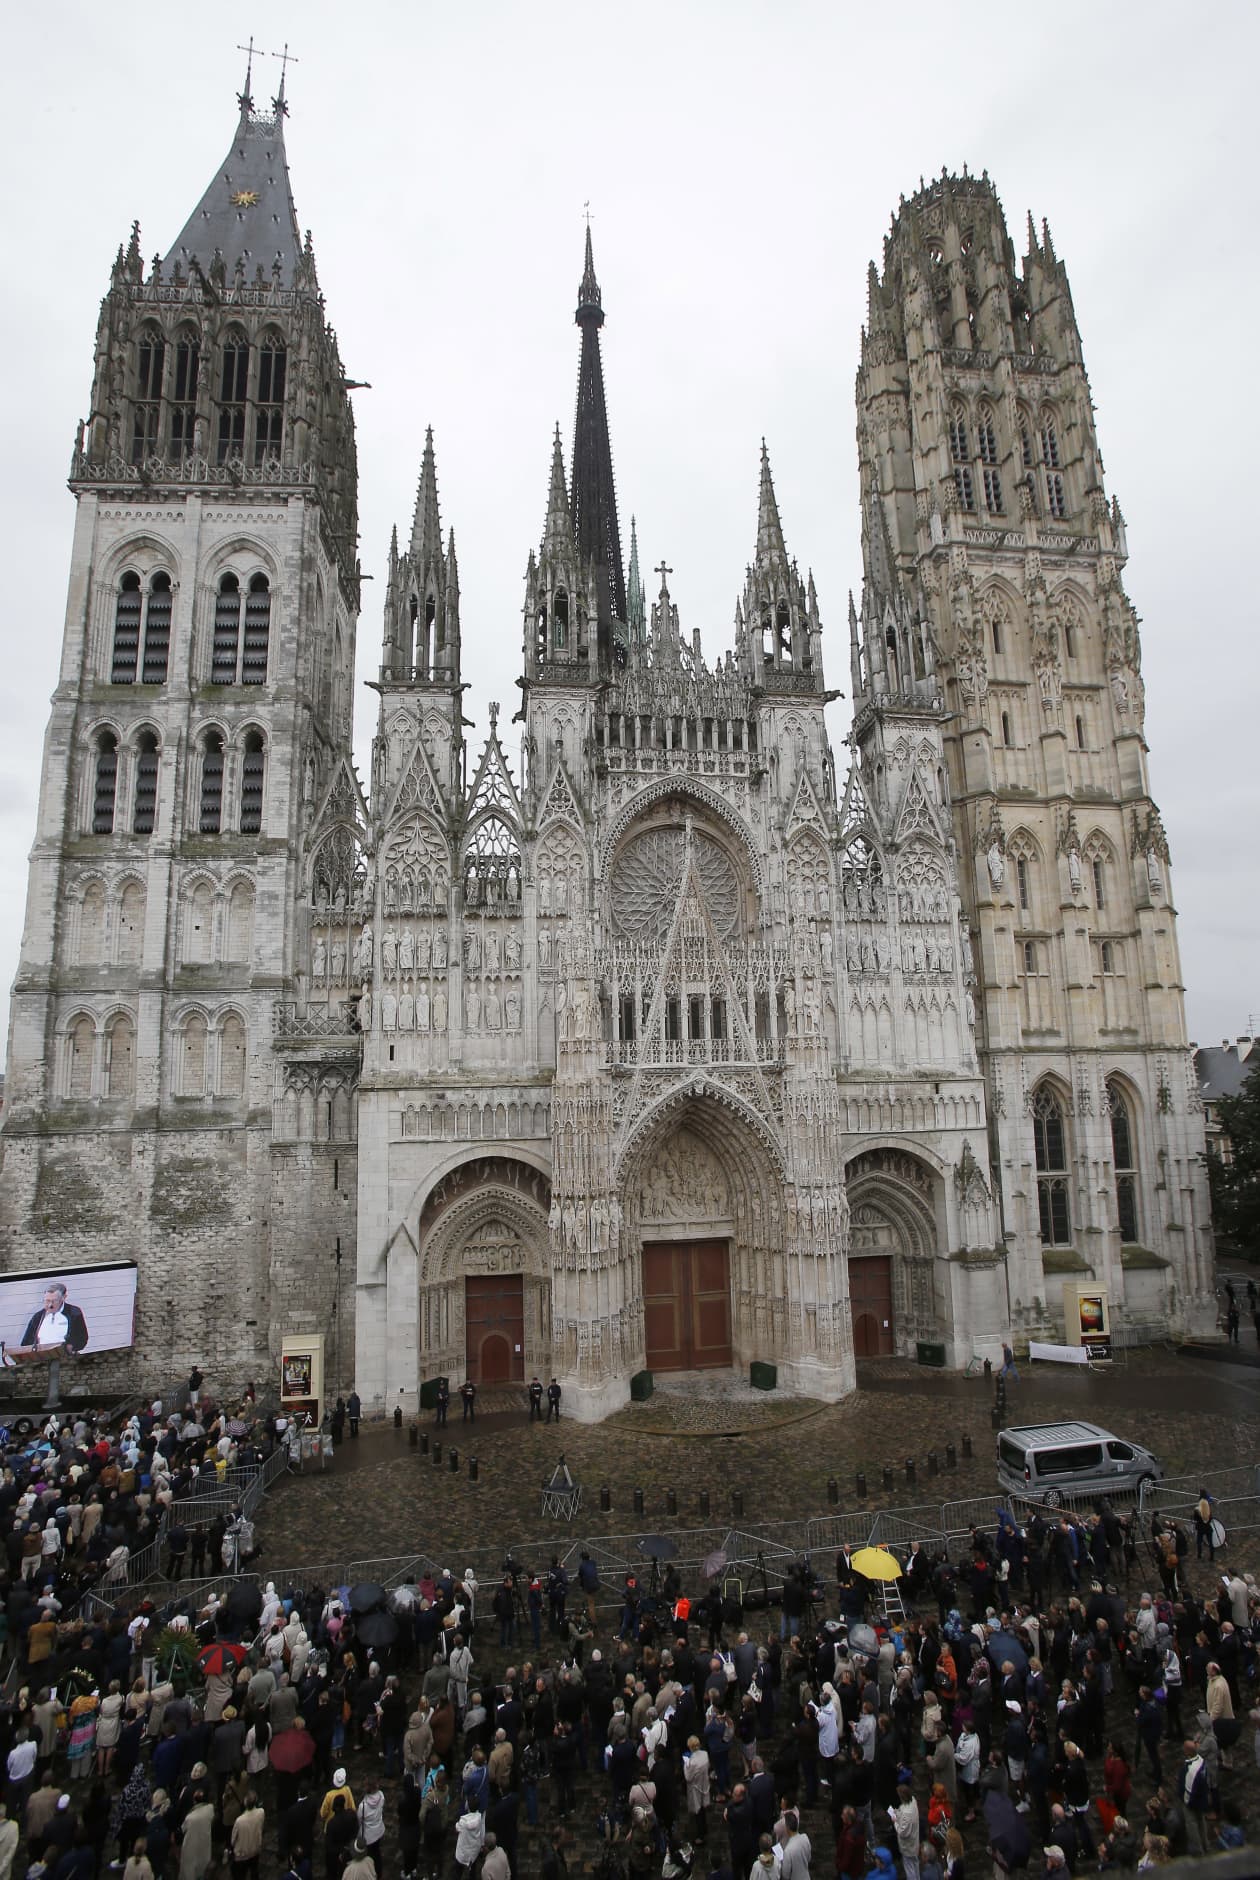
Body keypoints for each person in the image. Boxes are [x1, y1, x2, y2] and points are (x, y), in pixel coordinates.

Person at [14, 1282, 90, 1355]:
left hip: (64, 1355)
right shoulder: (37, 1317)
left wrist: (70, 1347)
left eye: (54, 1301)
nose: (50, 1305)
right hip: (41, 1356)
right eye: (47, 1301)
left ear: (63, 1297)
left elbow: (82, 1338)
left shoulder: (74, 1313)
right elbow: (25, 1342)